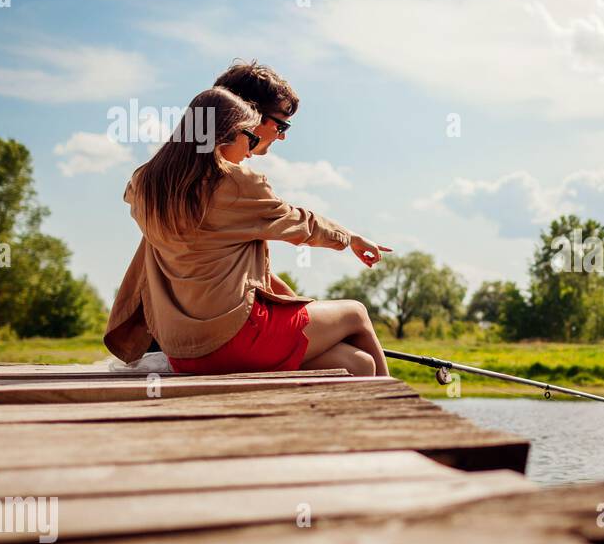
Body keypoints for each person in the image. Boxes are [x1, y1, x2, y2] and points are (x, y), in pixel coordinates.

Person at [104, 85, 391, 376]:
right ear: (224, 134)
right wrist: (350, 238)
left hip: (183, 352)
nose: (250, 151)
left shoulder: (144, 187)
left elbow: (211, 251)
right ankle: (396, 416)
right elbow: (299, 224)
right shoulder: (237, 184)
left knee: (357, 363)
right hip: (237, 337)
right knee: (356, 312)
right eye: (250, 137)